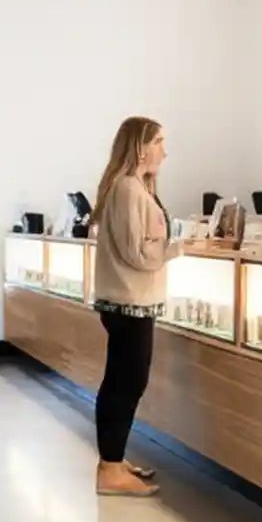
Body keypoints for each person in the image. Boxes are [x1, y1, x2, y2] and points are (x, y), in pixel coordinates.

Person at [91, 116, 180, 497]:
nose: (164, 149)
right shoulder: (128, 189)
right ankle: (110, 469)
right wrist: (182, 248)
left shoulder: (131, 186)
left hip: (127, 301)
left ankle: (112, 460)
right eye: (158, 141)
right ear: (140, 145)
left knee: (120, 381)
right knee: (128, 383)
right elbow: (138, 255)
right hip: (130, 302)